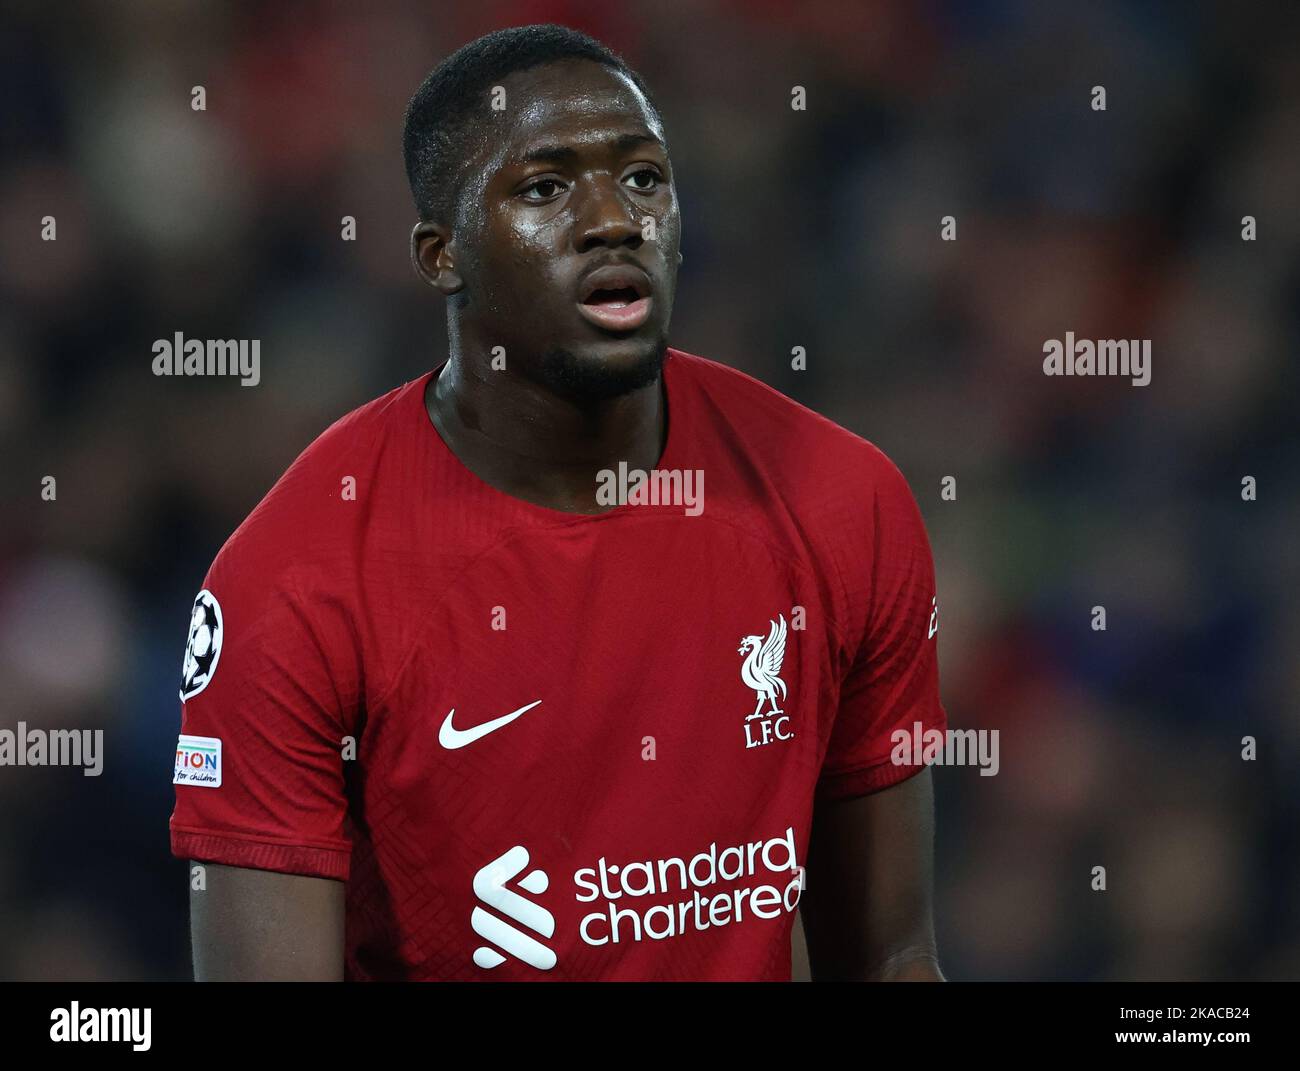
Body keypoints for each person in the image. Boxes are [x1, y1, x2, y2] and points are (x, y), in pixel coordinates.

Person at [171, 23, 947, 981]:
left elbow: (893, 956)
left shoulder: (842, 501)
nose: (615, 219)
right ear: (439, 254)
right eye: (545, 188)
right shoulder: (295, 583)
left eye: (645, 179)